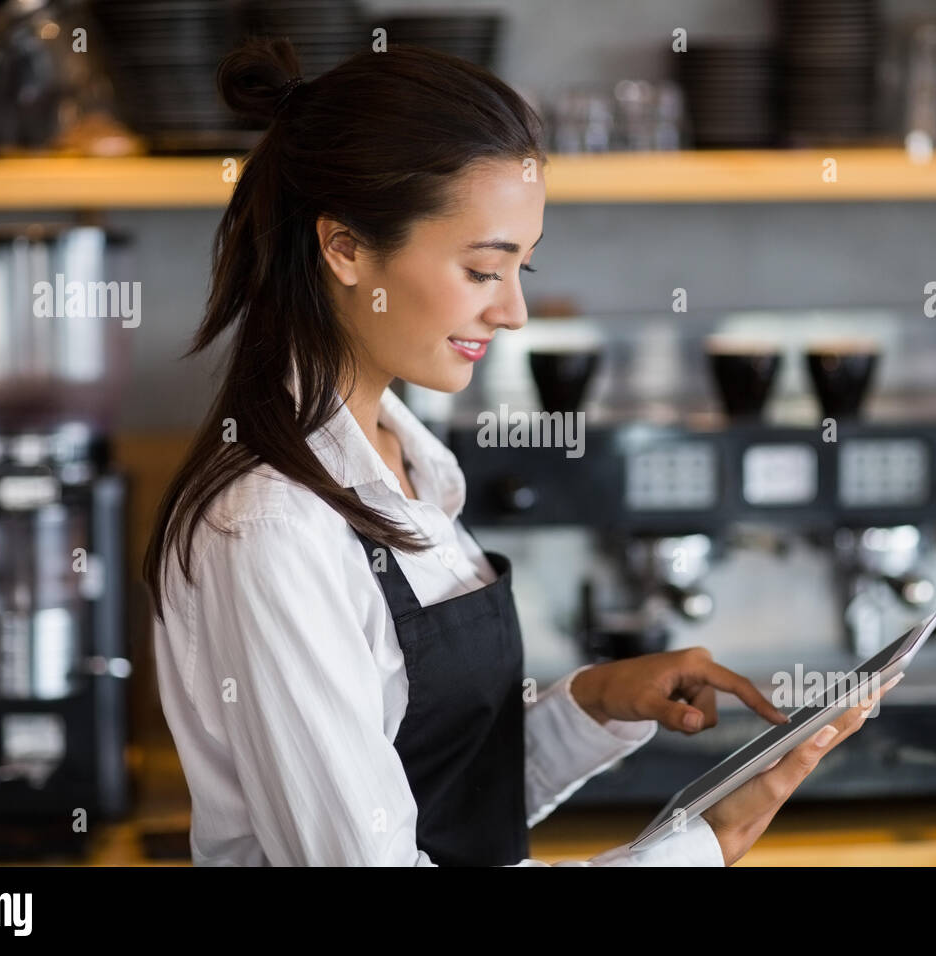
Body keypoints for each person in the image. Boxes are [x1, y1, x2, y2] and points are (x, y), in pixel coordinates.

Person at [145, 36, 894, 867]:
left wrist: (593, 704)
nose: (514, 315)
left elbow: (438, 803)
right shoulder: (274, 530)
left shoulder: (404, 461)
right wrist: (701, 847)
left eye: (522, 269)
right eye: (482, 269)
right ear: (346, 248)